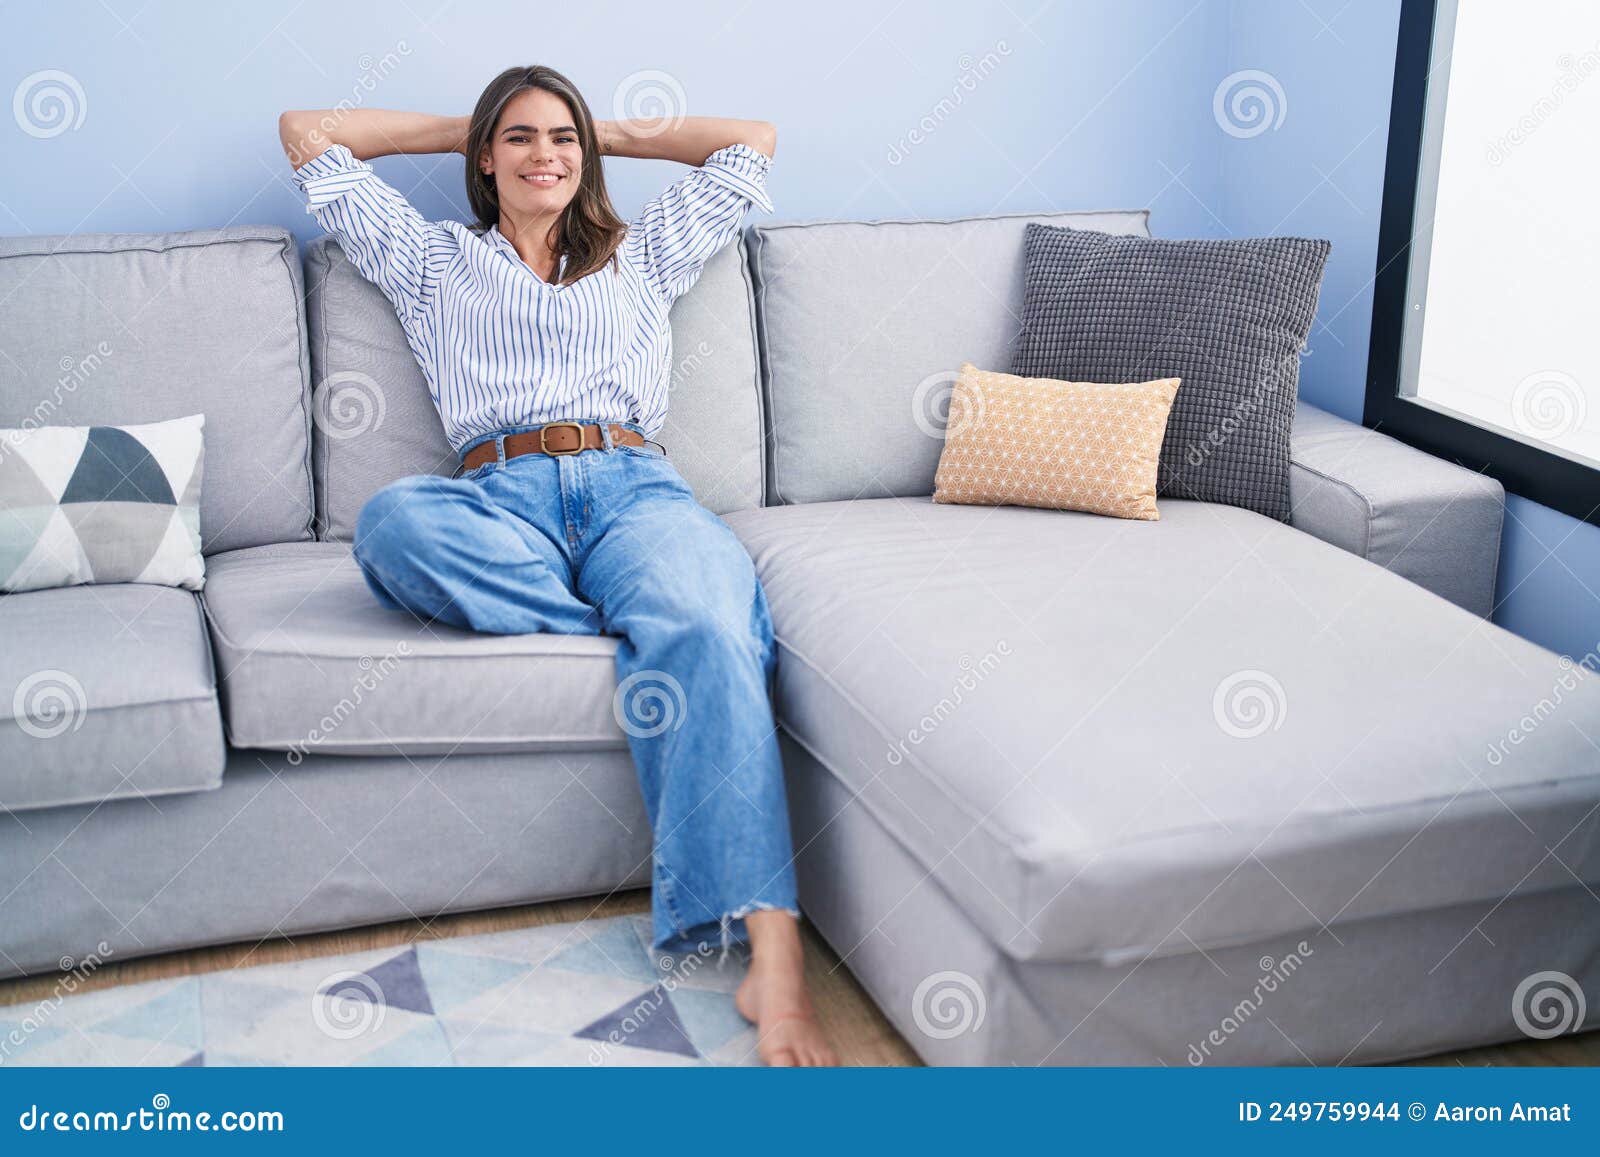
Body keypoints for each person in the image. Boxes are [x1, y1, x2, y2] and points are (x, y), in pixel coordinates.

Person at [279, 64, 836, 1066]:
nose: (546, 155)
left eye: (560, 139)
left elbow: (750, 135)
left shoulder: (642, 253)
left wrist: (597, 130)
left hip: (634, 488)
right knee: (395, 523)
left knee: (708, 624)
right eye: (522, 139)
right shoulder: (430, 257)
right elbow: (307, 130)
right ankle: (628, 622)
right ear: (484, 161)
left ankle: (772, 949)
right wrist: (474, 122)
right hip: (496, 501)